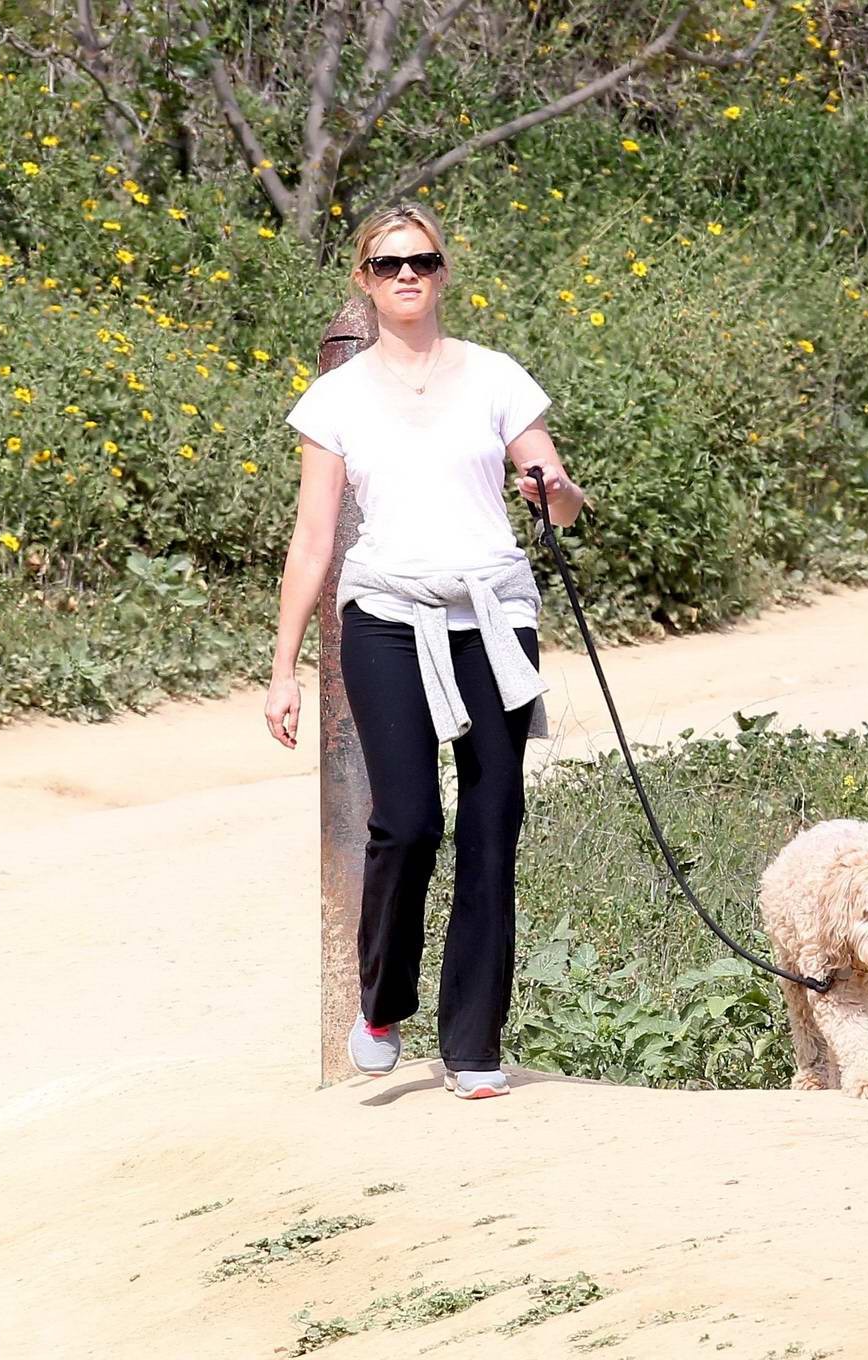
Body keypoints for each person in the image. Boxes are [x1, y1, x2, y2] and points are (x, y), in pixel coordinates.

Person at [264, 203, 587, 1100]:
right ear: (364, 280)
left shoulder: (496, 378)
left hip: (491, 613)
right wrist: (284, 669)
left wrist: (552, 486)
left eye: (423, 260)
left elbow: (556, 499)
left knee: (493, 825)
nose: (407, 275)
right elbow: (313, 540)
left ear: (445, 272)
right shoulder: (335, 397)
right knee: (408, 821)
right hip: (387, 616)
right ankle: (382, 1000)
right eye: (388, 263)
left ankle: (473, 1045)